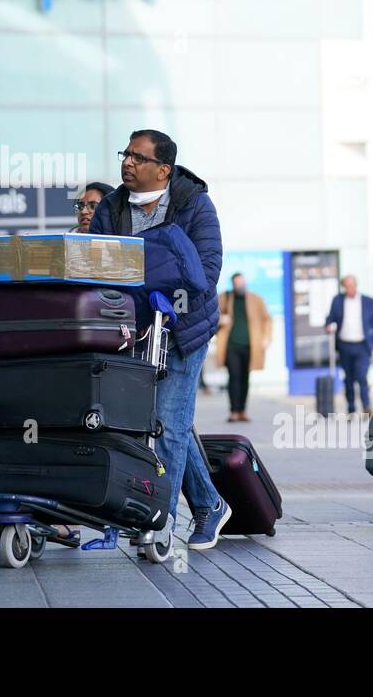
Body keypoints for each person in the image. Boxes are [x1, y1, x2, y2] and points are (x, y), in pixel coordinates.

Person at [90, 129, 230, 552]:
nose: (127, 163)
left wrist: (163, 290)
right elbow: (95, 263)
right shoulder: (114, 206)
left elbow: (206, 271)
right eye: (125, 154)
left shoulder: (194, 204)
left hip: (184, 327)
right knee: (157, 417)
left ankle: (160, 519)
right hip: (131, 327)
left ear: (163, 169)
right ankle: (209, 503)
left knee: (167, 417)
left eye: (138, 157)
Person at [215, 273, 272, 422]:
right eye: (237, 283)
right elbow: (213, 315)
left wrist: (266, 338)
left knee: (245, 378)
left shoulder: (256, 299)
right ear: (232, 284)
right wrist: (221, 319)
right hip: (231, 345)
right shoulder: (225, 297)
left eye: (242, 282)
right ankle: (233, 411)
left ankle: (242, 411)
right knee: (234, 377)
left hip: (250, 346)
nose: (240, 285)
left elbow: (267, 319)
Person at [324, 276, 373, 416]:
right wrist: (328, 326)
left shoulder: (367, 301)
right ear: (344, 287)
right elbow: (330, 318)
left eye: (352, 286)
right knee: (348, 379)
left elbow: (372, 323)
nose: (350, 289)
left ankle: (366, 406)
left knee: (361, 376)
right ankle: (351, 408)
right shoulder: (337, 300)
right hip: (344, 345)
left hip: (362, 345)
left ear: (356, 285)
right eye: (347, 287)